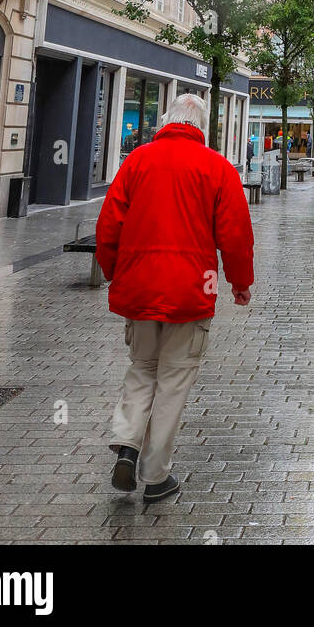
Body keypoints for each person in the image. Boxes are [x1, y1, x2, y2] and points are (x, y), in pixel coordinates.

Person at [96, 93, 254, 503]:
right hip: (191, 289)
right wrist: (239, 282)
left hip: (141, 287)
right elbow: (235, 234)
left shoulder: (136, 161)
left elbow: (108, 226)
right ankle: (154, 476)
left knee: (142, 367)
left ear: (167, 120)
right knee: (174, 378)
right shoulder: (217, 168)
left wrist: (117, 274)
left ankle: (127, 443)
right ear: (201, 127)